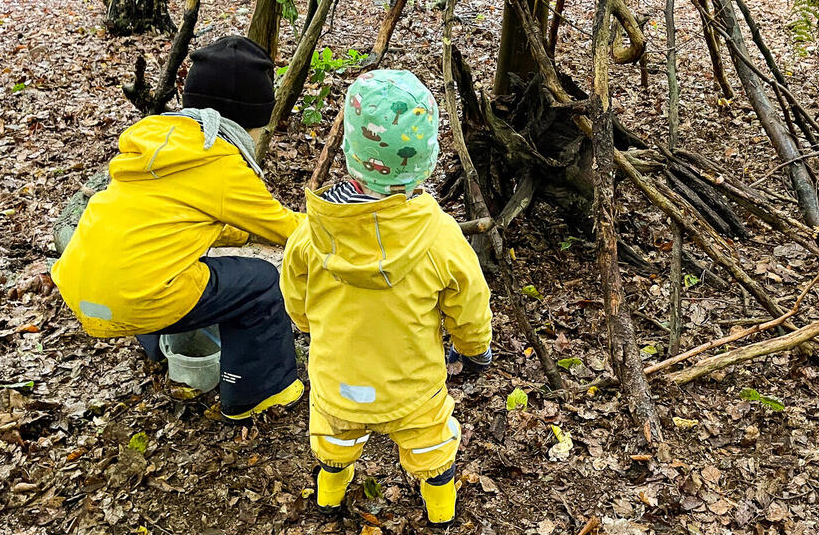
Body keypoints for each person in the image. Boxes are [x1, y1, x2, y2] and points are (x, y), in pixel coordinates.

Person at [52, 36, 306, 421]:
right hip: (139, 296)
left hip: (80, 286)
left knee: (159, 259)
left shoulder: (155, 140)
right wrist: (342, 225)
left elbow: (169, 221)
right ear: (248, 121)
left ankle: (156, 346)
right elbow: (289, 229)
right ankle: (257, 391)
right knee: (261, 282)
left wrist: (236, 233)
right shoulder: (220, 161)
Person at [281, 70, 493, 525]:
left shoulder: (312, 231)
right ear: (428, 161)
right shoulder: (438, 237)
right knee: (433, 448)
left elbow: (295, 296)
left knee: (334, 442)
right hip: (412, 389)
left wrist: (306, 324)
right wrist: (475, 350)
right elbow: (469, 303)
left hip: (336, 382)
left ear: (350, 150)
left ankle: (327, 502)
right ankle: (441, 517)